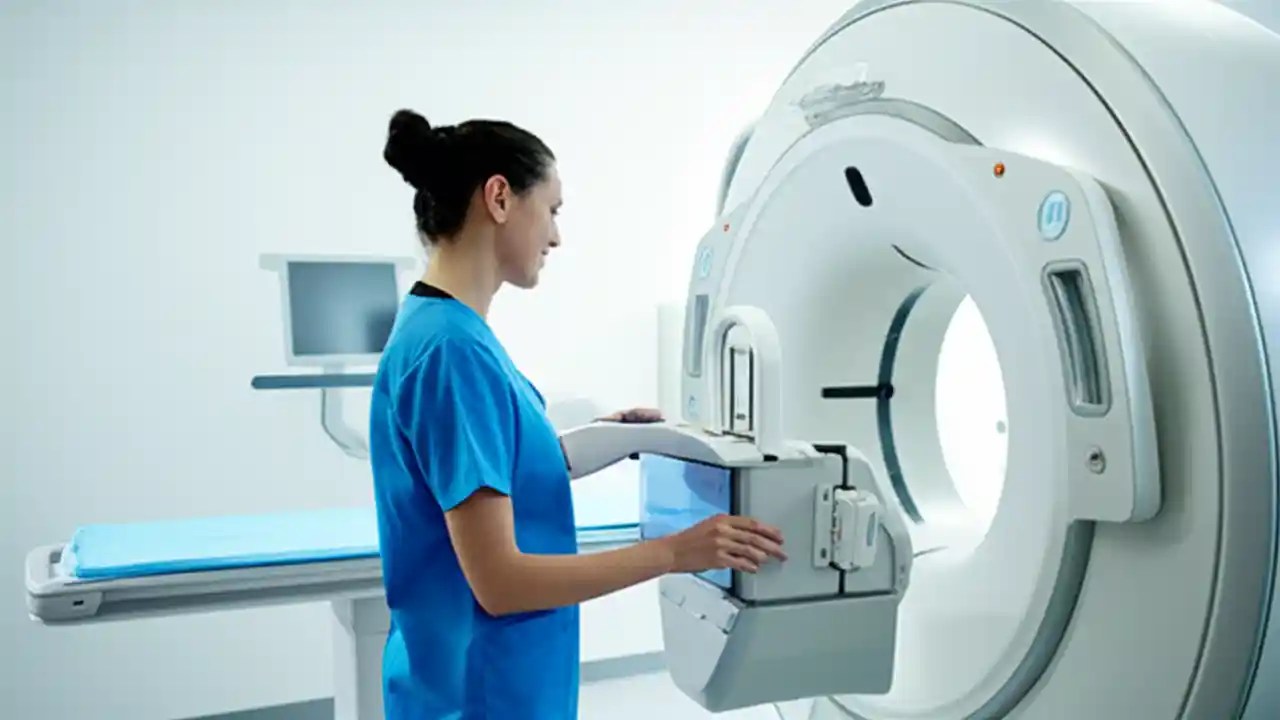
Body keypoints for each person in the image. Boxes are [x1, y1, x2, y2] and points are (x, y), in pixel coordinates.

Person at [367, 108, 788, 720]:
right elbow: (501, 582)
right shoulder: (452, 352)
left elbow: (498, 463)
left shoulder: (444, 330)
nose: (557, 237)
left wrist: (609, 438)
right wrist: (677, 552)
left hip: (483, 683)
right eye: (554, 209)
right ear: (500, 198)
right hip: (483, 696)